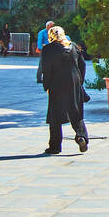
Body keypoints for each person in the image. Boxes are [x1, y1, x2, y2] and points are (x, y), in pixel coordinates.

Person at [40, 26, 88, 155]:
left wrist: (47, 86)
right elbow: (82, 65)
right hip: (74, 81)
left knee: (55, 114)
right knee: (75, 111)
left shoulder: (48, 49)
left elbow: (46, 69)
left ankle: (55, 146)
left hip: (57, 83)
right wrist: (79, 82)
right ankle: (81, 136)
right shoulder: (73, 47)